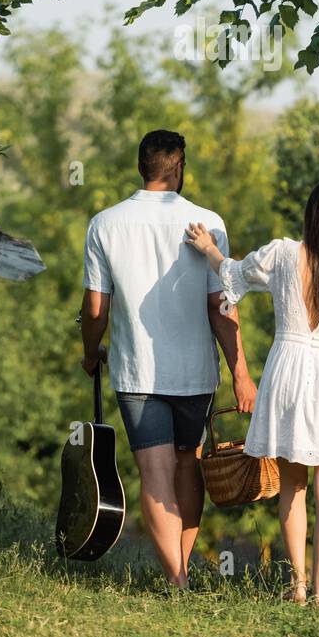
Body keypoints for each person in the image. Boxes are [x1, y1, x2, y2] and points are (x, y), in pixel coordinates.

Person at [185, 179, 319, 608]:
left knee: (292, 487)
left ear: (312, 216)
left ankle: (298, 586)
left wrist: (207, 246)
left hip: (287, 371)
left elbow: (232, 273)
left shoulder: (285, 254)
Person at [79, 130, 257, 588]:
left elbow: (95, 308)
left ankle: (176, 581)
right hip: (194, 371)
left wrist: (89, 351)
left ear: (143, 166)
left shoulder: (105, 224)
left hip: (136, 371)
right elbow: (221, 308)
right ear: (178, 166)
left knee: (153, 472)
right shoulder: (207, 221)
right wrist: (241, 372)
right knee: (186, 464)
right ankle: (180, 571)